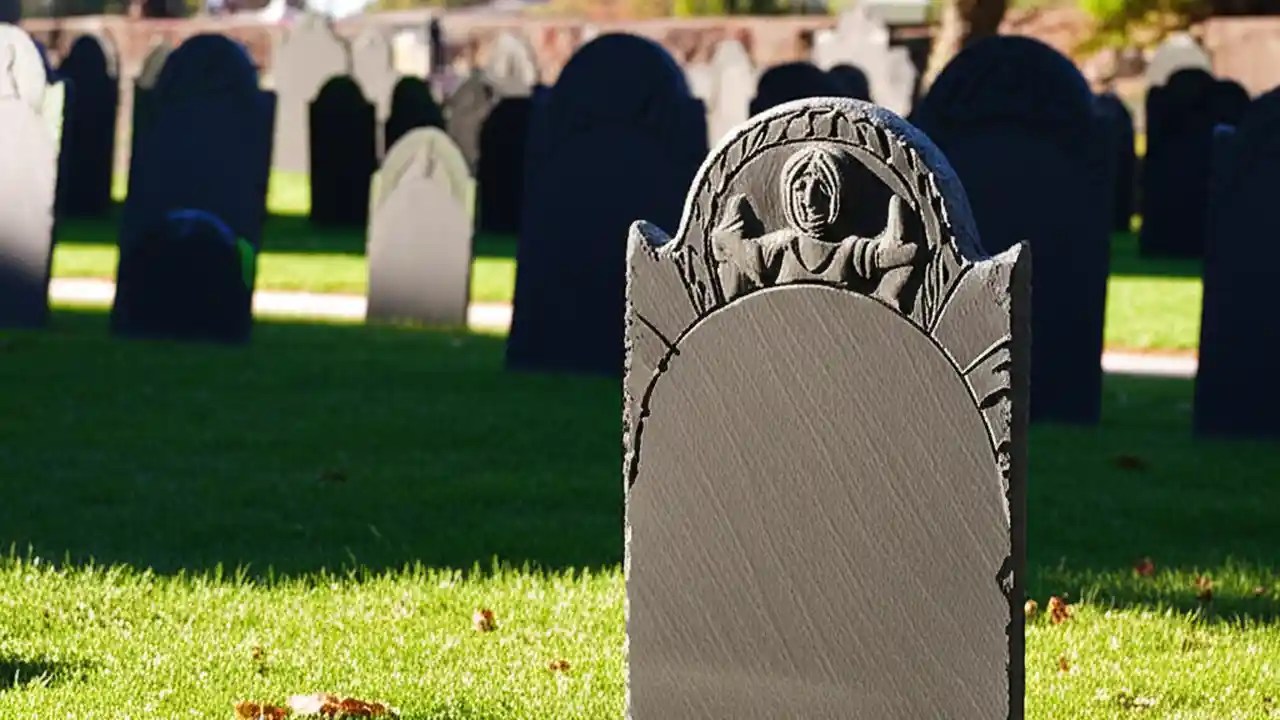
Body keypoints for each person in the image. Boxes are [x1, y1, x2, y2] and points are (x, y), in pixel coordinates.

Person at [711, 146, 919, 301]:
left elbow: (892, 255)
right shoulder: (783, 247)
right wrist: (728, 240)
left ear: (840, 194)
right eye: (801, 187)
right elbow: (743, 255)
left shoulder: (849, 252)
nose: (810, 200)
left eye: (822, 187)